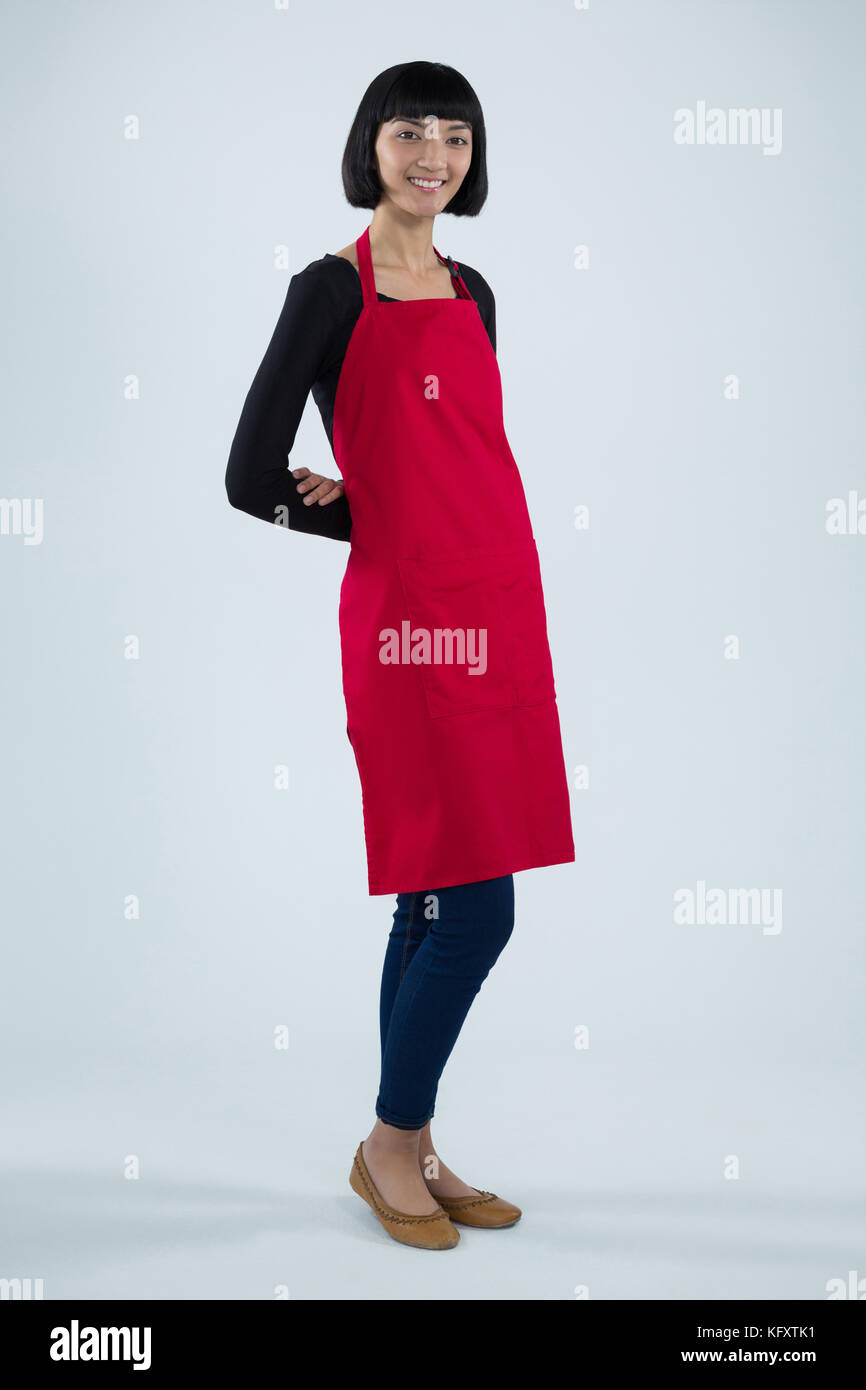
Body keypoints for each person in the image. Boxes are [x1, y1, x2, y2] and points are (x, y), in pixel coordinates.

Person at [225, 61, 575, 1251]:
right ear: (369, 144)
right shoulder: (325, 293)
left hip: (500, 608)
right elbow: (245, 480)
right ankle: (389, 1136)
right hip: (409, 628)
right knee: (480, 910)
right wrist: (351, 514)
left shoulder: (474, 289)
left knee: (433, 895)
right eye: (409, 130)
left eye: (455, 135)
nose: (433, 153)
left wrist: (394, 494)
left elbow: (460, 454)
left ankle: (408, 1148)